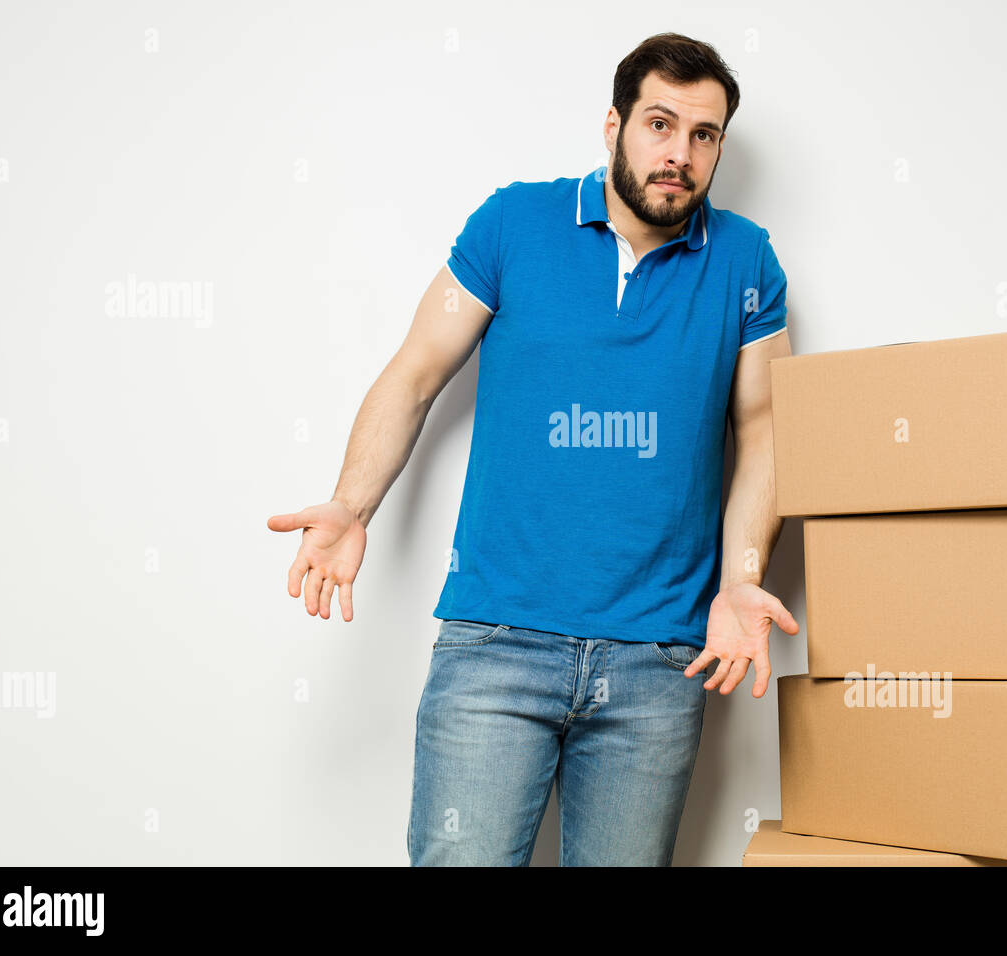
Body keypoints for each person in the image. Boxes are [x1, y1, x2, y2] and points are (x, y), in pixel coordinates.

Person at [267, 32, 799, 866]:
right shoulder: (514, 222)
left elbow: (766, 430)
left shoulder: (746, 260)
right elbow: (413, 375)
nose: (680, 155)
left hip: (659, 662)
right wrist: (350, 503)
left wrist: (741, 582)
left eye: (704, 136)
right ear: (614, 124)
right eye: (660, 125)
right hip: (496, 646)